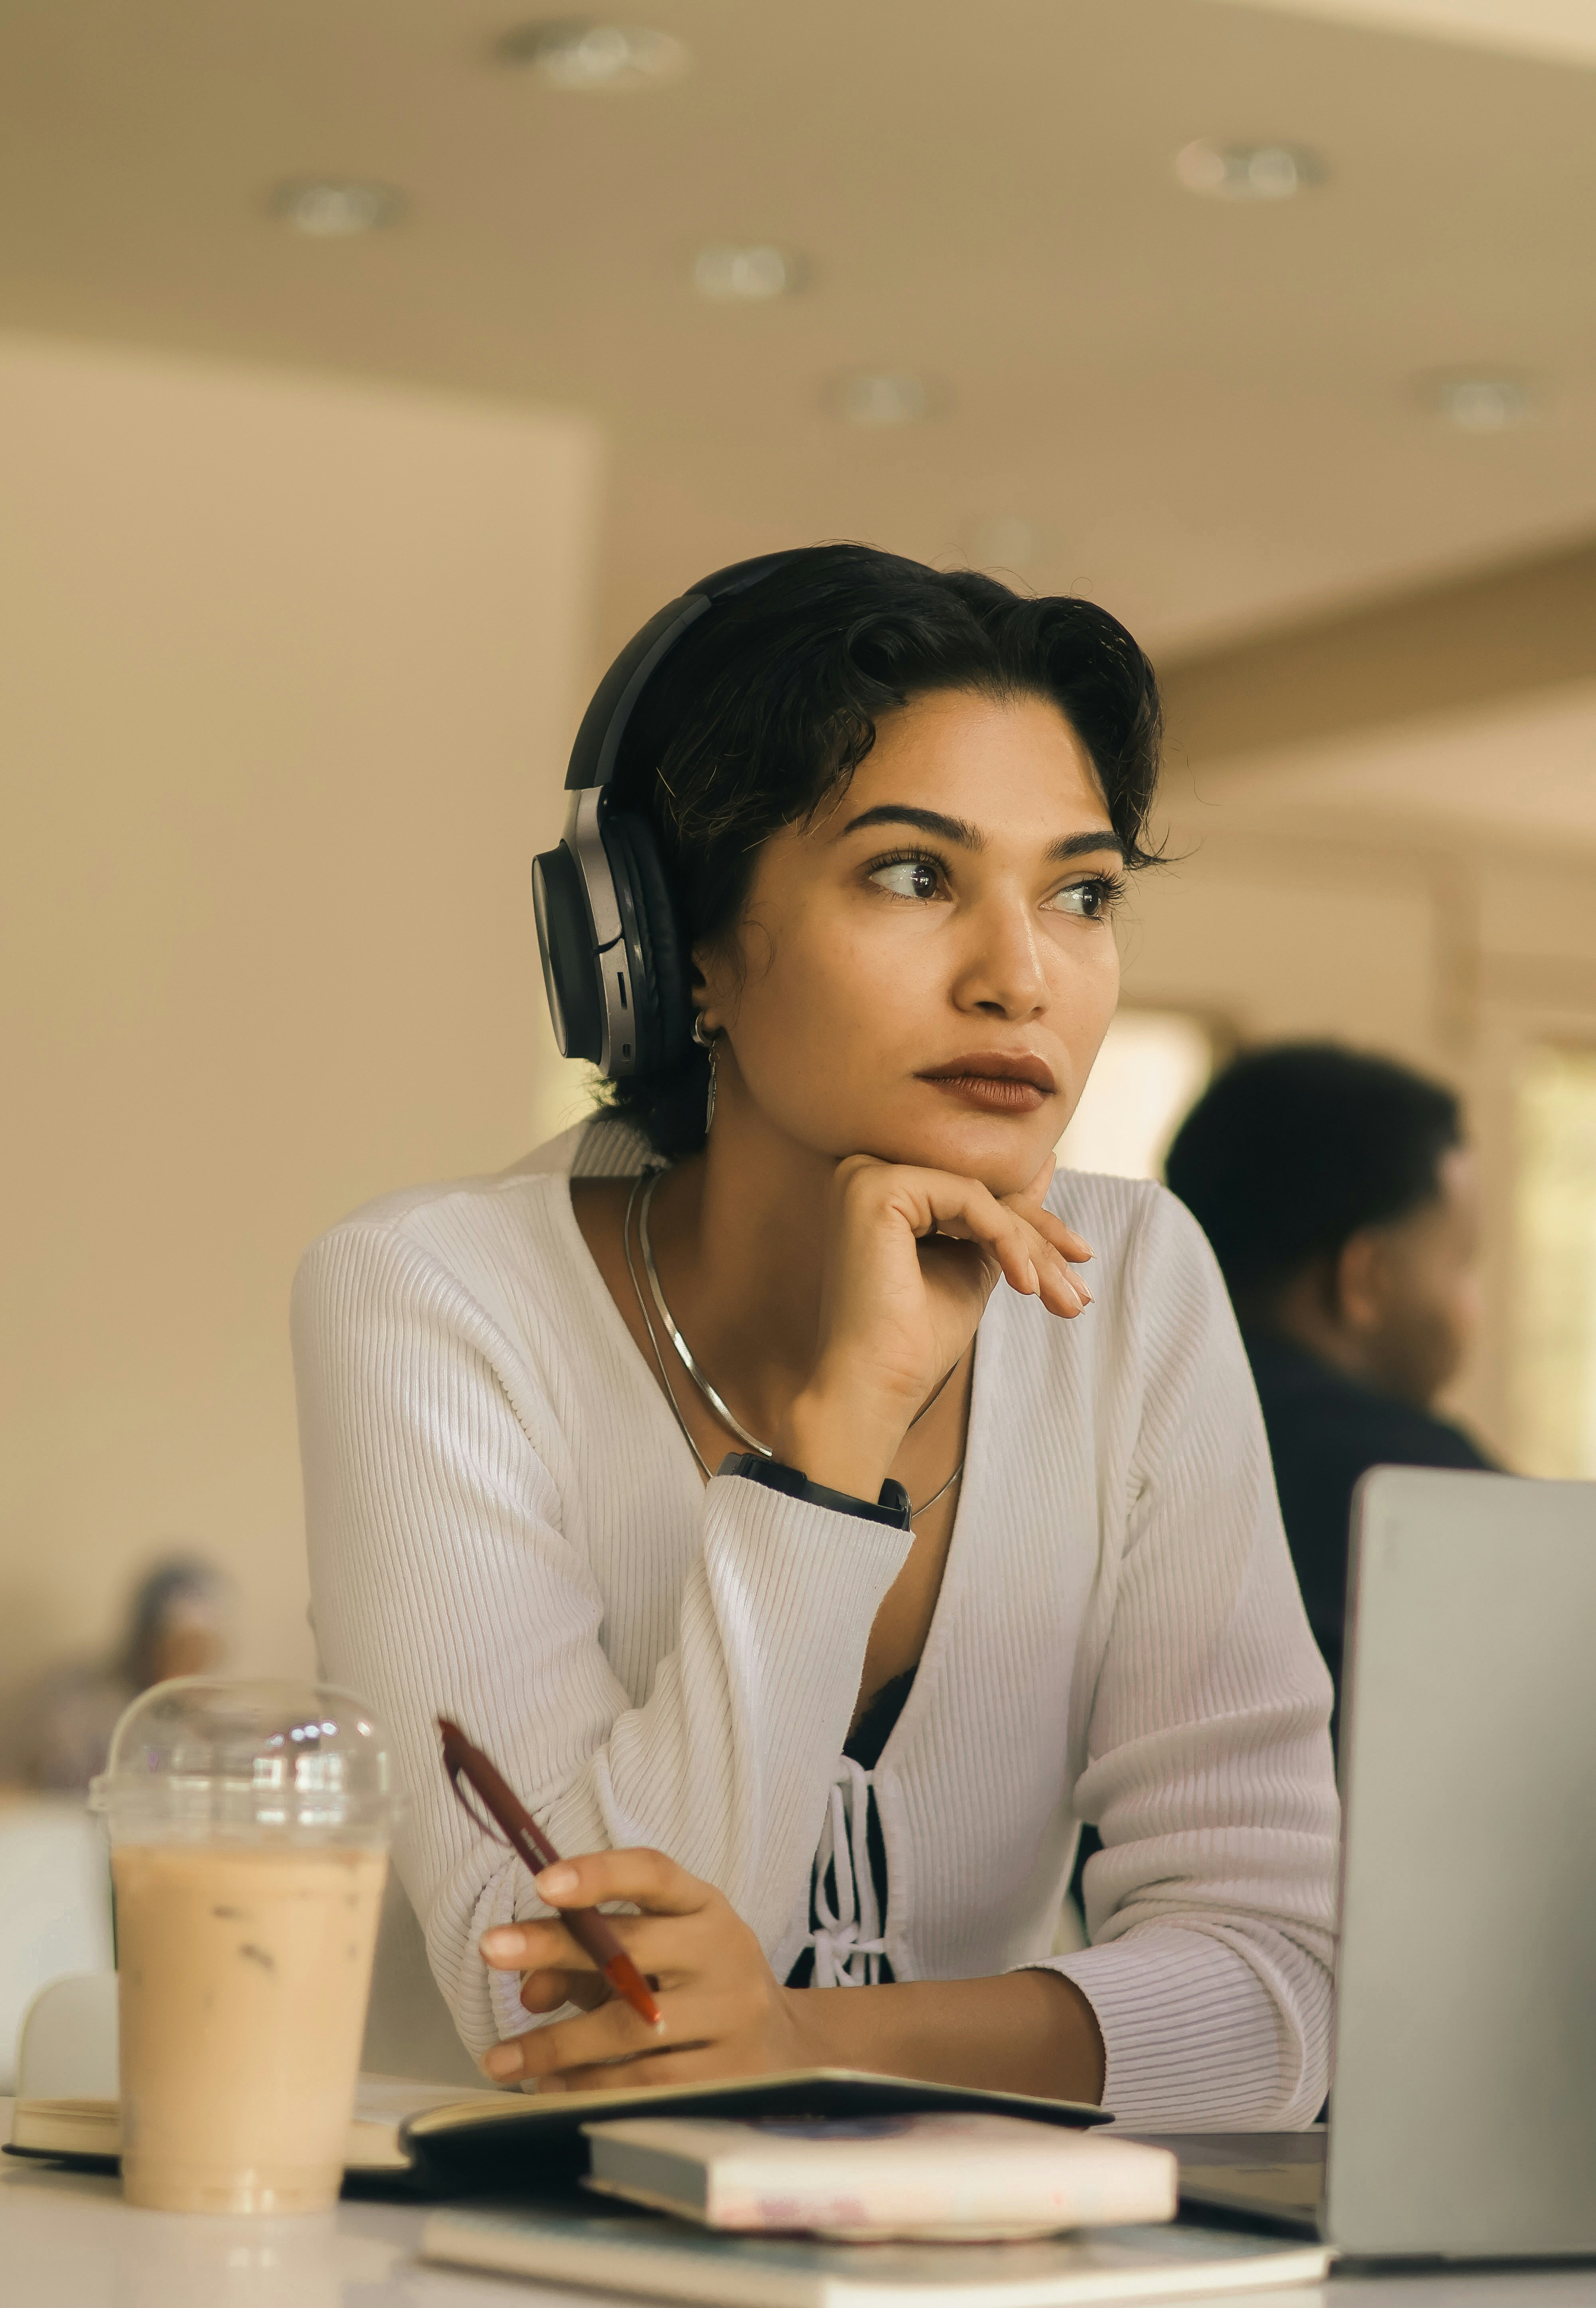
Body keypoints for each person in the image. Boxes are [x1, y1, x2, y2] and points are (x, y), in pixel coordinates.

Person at [293, 546, 1336, 2131]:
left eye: (1081, 892)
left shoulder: (1136, 1286)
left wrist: (807, 2043)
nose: (1021, 977)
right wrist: (836, 1441)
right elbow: (569, 2002)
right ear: (667, 948)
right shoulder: (432, 1299)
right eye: (914, 875)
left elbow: (1281, 1995)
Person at [1164, 1043, 1494, 1731]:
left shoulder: (1104, 1435)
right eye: (1462, 1264)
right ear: (1365, 1276)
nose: (1474, 1309)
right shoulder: (1430, 1488)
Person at [16, 1556, 231, 1791]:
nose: (191, 1665)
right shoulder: (80, 1698)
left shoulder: (214, 1719)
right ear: (147, 1639)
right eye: (180, 1649)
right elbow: (51, 1782)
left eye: (201, 1650)